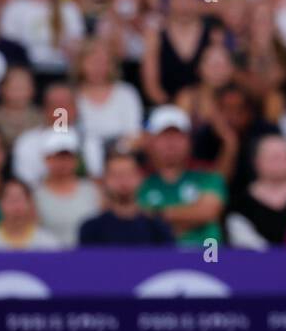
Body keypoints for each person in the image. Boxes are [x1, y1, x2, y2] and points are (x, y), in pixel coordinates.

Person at [137, 104, 226, 248]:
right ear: (150, 141)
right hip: (155, 260)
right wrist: (188, 216)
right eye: (164, 136)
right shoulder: (139, 180)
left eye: (178, 136)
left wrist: (157, 215)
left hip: (207, 257)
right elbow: (132, 219)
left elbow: (208, 212)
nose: (171, 143)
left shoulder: (208, 176)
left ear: (189, 141)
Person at [79, 150, 175, 246]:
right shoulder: (91, 229)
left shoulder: (158, 228)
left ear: (140, 178)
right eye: (116, 175)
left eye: (129, 174)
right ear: (105, 180)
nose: (123, 180)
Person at [0, 178, 63, 250]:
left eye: (20, 199)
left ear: (30, 203)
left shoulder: (48, 244)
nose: (16, 207)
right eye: (11, 200)